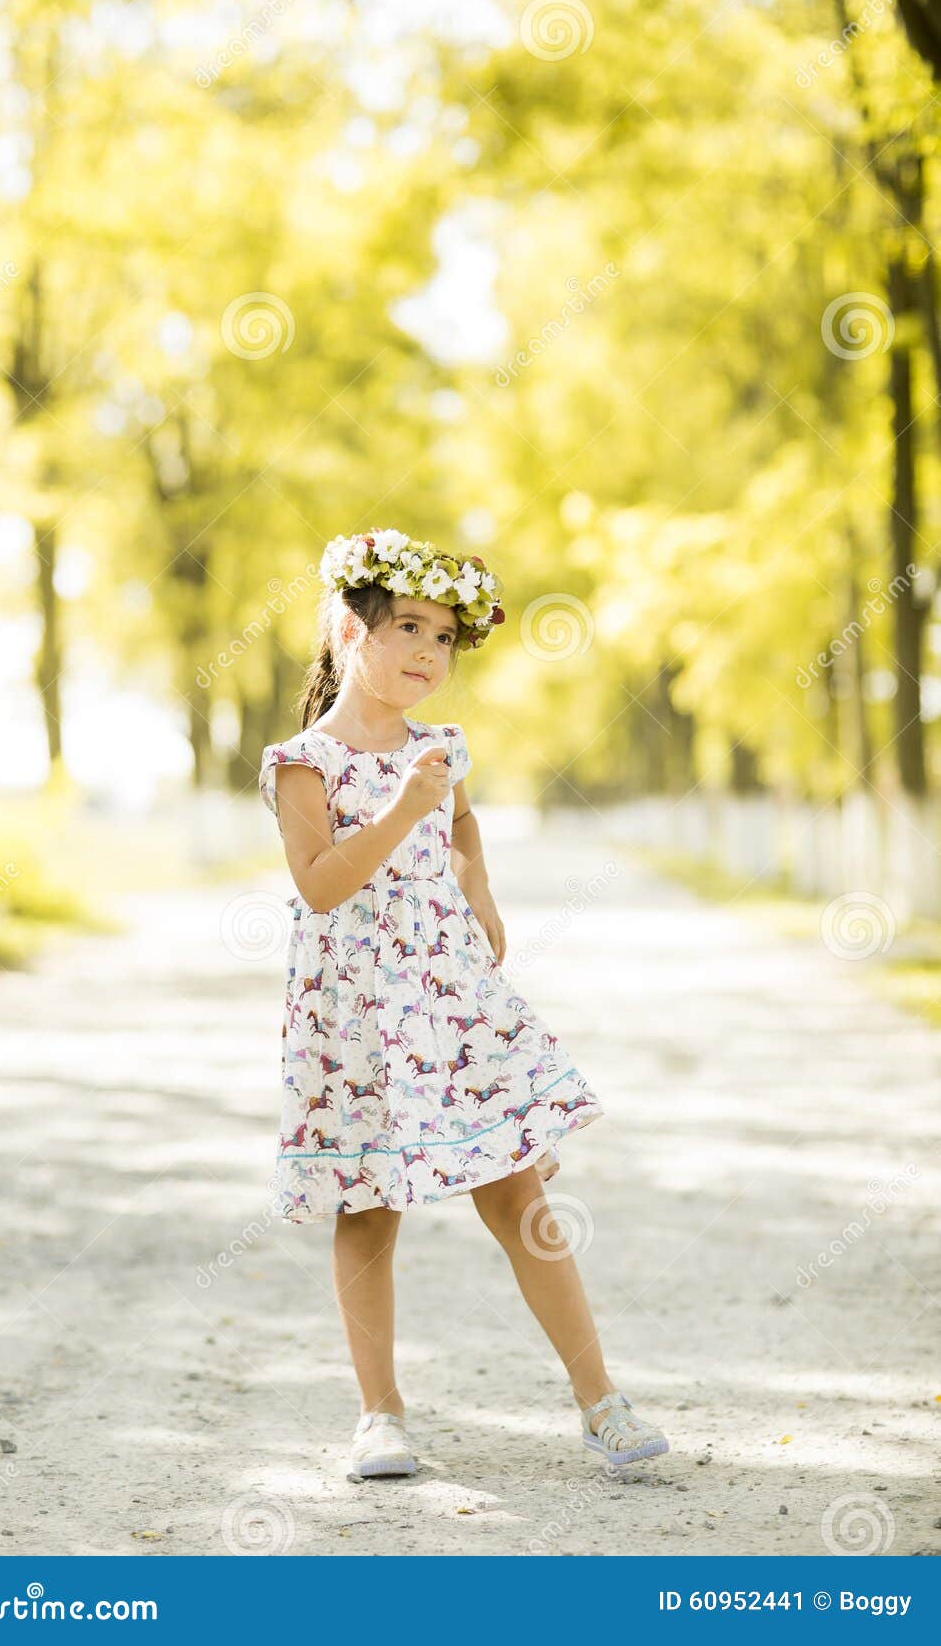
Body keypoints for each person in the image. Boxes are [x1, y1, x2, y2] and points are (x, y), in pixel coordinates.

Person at [258, 530, 669, 1480]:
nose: (425, 653)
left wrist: (480, 895)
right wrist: (401, 810)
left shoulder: (440, 750)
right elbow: (320, 885)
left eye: (443, 638)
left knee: (519, 1191)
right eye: (406, 627)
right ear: (347, 628)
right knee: (365, 1205)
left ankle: (599, 1399)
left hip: (447, 999)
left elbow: (464, 823)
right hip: (352, 1011)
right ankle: (380, 1414)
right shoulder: (301, 764)